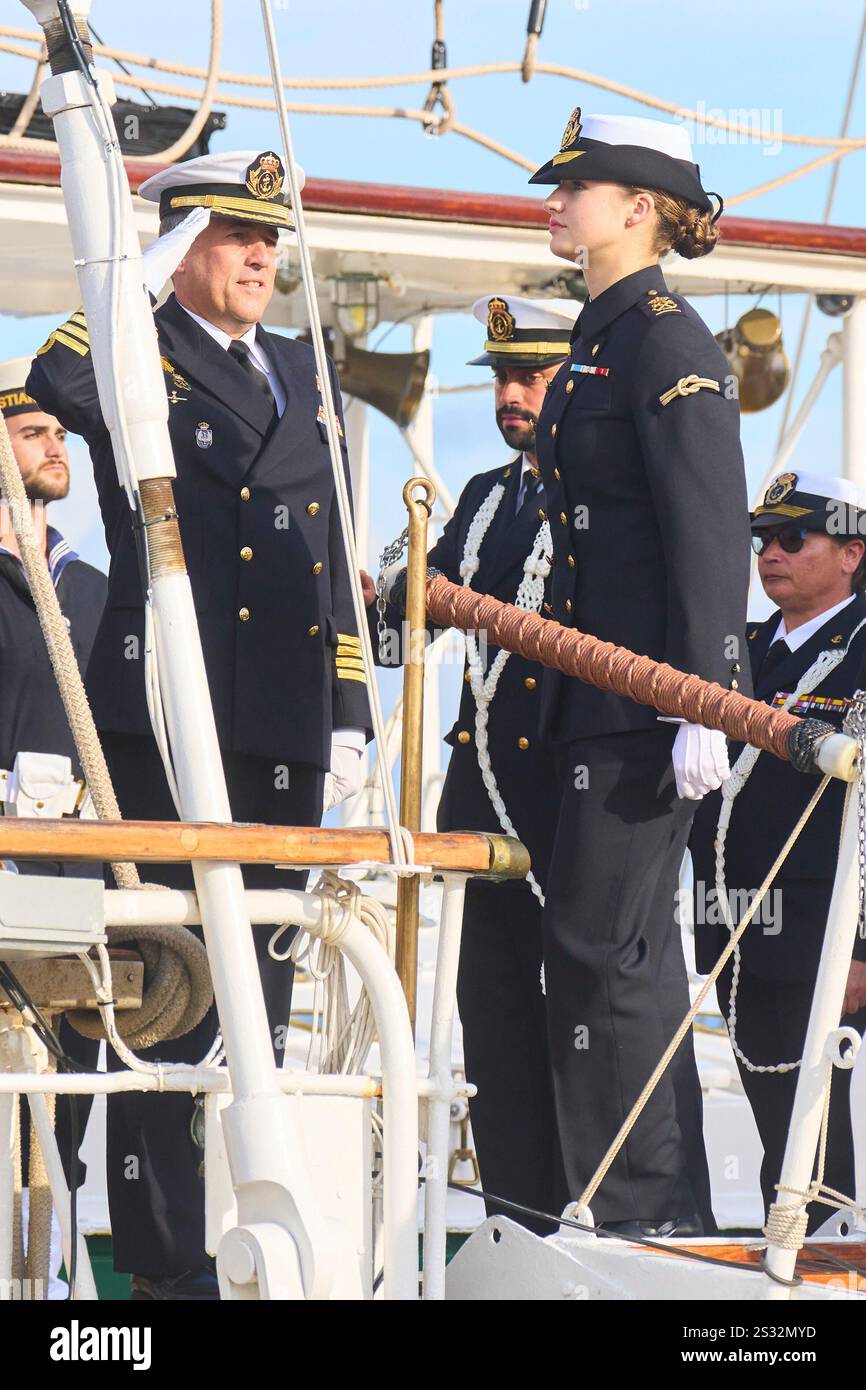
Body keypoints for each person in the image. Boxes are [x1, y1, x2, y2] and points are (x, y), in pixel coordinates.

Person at [27, 151, 372, 1298]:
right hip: (168, 716)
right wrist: (134, 278)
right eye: (234, 237)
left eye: (271, 238)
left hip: (279, 725)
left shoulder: (296, 368)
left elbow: (329, 558)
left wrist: (351, 707)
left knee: (257, 1011)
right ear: (183, 253)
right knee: (163, 1002)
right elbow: (54, 376)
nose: (262, 257)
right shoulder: (139, 348)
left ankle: (251, 1254)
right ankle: (165, 1277)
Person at [529, 110, 752, 1236]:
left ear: (636, 209)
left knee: (599, 949)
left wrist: (702, 695)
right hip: (598, 696)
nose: (554, 204)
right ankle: (645, 1202)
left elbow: (706, 528)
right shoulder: (597, 336)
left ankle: (633, 1206)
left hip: (643, 702)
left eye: (578, 189)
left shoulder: (662, 336)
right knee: (613, 950)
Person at [367, 295, 575, 1230]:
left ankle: (586, 1221)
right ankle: (513, 1219)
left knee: (576, 1022)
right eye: (499, 376)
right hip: (482, 793)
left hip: (569, 801)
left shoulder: (598, 496)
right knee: (490, 1014)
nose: (511, 393)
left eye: (531, 375)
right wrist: (391, 580)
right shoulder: (491, 494)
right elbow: (425, 594)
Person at [691, 469, 866, 1233]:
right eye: (762, 539)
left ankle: (826, 1270)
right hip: (742, 926)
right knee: (781, 1135)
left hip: (832, 937)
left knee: (823, 1144)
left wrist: (861, 946)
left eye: (794, 538)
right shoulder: (738, 648)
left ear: (853, 552)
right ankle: (792, 1270)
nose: (771, 554)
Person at [0, 356, 105, 1294]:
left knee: (59, 1116)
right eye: (34, 433)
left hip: (68, 890)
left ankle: (58, 1293)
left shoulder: (94, 589)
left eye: (60, 434)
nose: (55, 445)